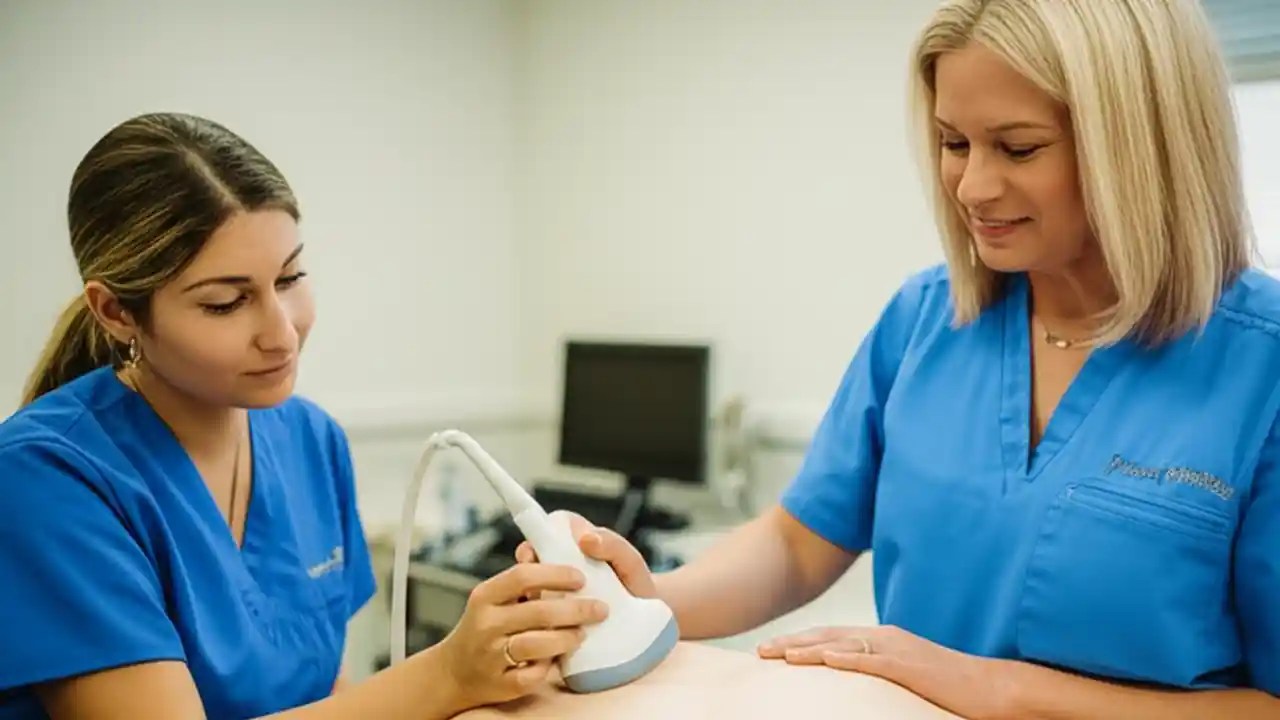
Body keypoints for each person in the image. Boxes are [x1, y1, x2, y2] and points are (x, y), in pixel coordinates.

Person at [519, 1, 1280, 717]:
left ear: (1139, 146)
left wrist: (1000, 690)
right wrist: (637, 603)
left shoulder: (1261, 369)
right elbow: (795, 546)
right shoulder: (926, 321)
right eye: (955, 143)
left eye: (1018, 148)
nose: (973, 187)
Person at [0, 112, 609, 720]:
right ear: (116, 312)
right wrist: (449, 673)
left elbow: (331, 698)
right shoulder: (45, 477)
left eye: (290, 276)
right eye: (226, 302)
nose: (282, 332)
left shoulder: (311, 441)